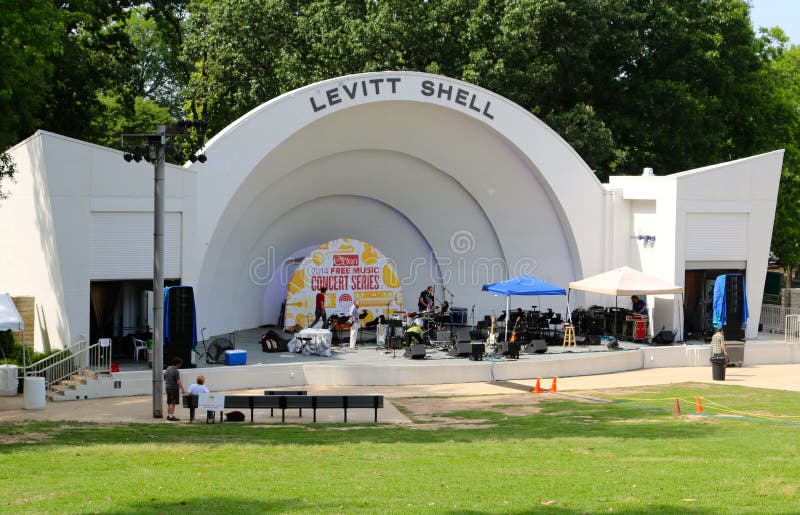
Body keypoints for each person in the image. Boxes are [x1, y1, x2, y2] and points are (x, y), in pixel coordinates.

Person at [164, 357, 185, 421]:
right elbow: (178, 381)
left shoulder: (168, 368)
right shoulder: (176, 371)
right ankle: (171, 416)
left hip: (167, 387)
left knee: (169, 402)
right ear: (178, 364)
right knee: (172, 403)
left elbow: (164, 377)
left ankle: (169, 415)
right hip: (173, 388)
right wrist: (183, 390)